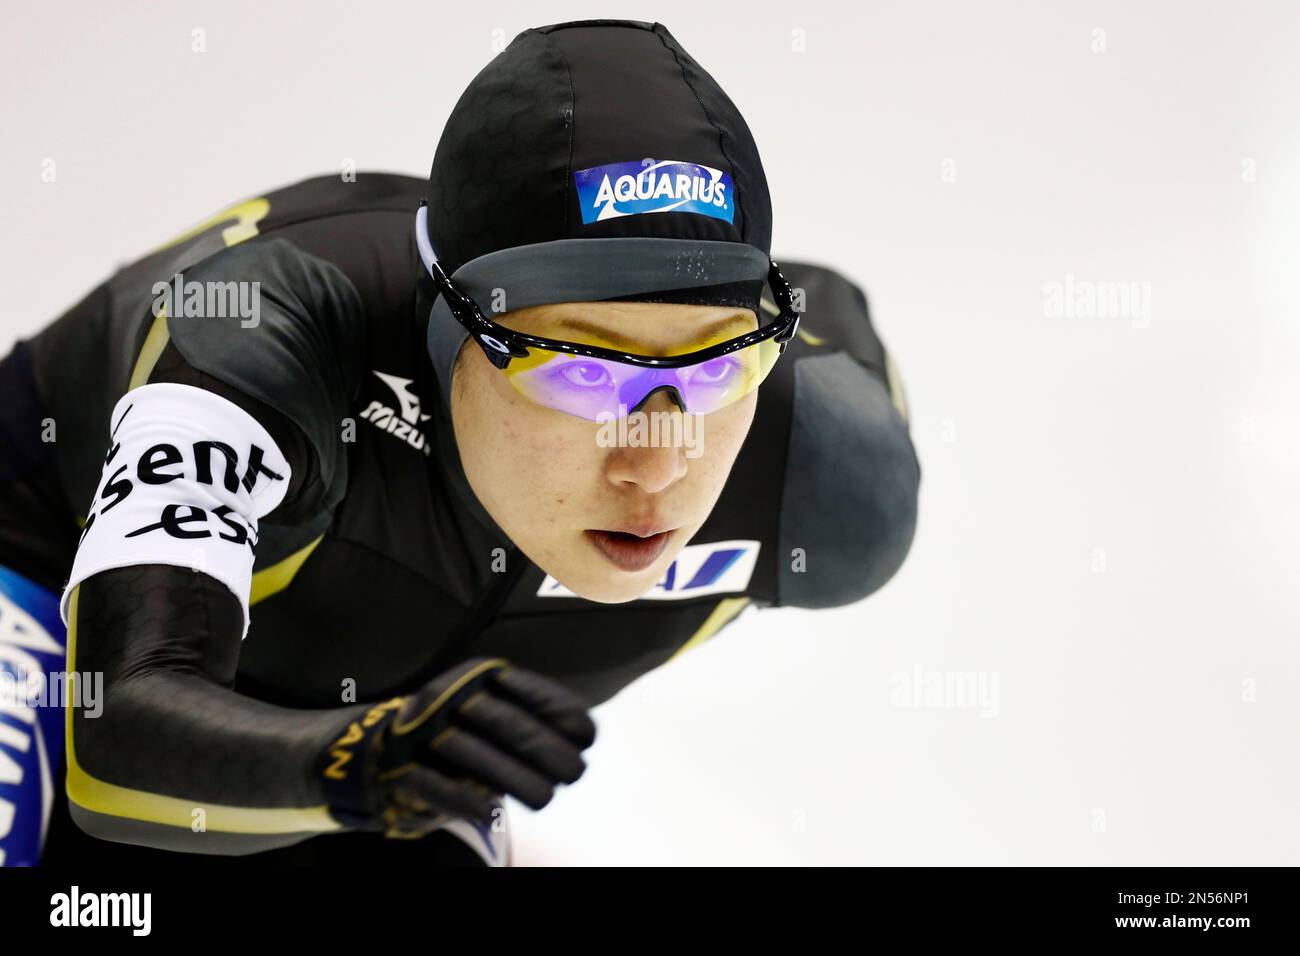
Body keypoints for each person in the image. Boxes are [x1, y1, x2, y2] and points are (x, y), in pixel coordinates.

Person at [0, 19, 920, 867]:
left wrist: (387, 760)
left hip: (389, 723)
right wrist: (364, 759)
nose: (659, 463)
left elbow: (824, 295)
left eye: (716, 365)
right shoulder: (267, 342)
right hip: (46, 564)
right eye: (584, 370)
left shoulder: (829, 471)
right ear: (445, 330)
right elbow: (115, 736)